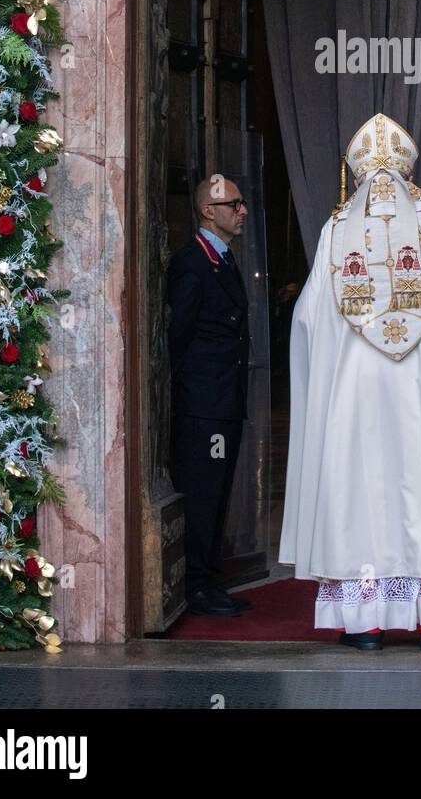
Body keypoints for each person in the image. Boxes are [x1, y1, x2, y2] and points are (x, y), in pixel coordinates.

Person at [279, 113, 421, 652]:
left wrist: (329, 373)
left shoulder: (337, 230)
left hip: (356, 397)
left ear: (358, 177)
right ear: (409, 175)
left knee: (362, 495)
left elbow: (308, 322)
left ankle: (364, 625)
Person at [167, 174, 253, 617]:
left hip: (224, 402)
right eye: (233, 204)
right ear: (208, 210)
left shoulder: (223, 260)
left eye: (241, 204)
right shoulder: (192, 263)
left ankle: (210, 579)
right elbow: (177, 339)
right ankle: (195, 586)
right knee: (201, 494)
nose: (242, 211)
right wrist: (193, 398)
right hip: (204, 406)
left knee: (218, 494)